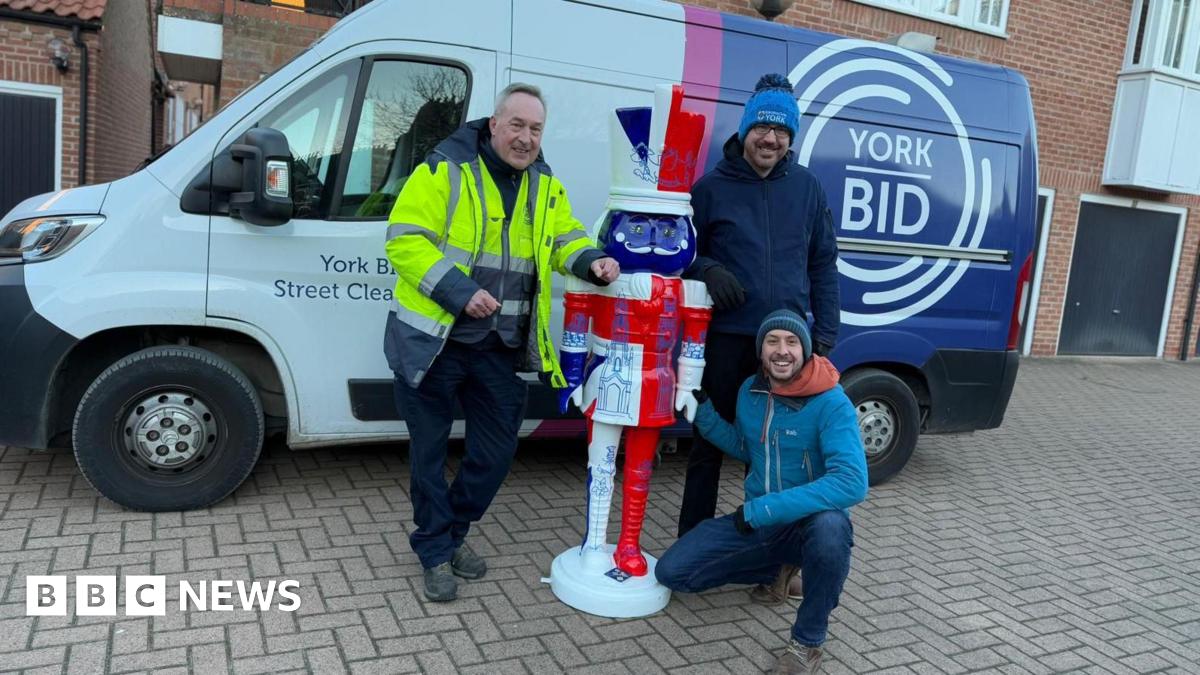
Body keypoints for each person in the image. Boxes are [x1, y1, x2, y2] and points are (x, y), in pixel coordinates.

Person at [383, 83, 620, 602]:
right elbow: (404, 238)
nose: (526, 138)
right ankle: (434, 551)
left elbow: (564, 238)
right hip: (433, 343)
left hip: (498, 348)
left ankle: (453, 532)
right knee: (428, 456)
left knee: (493, 454)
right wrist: (460, 291)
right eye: (517, 125)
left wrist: (591, 260)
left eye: (536, 129)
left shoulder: (543, 183)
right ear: (493, 125)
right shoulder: (444, 169)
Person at [678, 73, 842, 546]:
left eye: (782, 132)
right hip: (727, 339)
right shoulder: (710, 188)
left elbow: (823, 261)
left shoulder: (808, 187)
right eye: (762, 129)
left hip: (783, 346)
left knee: (777, 454)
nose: (770, 139)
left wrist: (826, 333)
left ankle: (769, 549)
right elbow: (679, 254)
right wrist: (707, 268)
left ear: (790, 138)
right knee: (708, 445)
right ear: (745, 130)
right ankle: (692, 543)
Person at [655, 310, 867, 675]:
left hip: (802, 524)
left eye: (791, 342)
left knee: (832, 530)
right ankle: (777, 571)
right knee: (673, 572)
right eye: (772, 341)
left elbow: (851, 481)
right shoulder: (750, 392)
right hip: (762, 524)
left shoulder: (832, 402)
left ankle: (807, 642)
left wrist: (763, 510)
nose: (781, 351)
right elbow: (744, 446)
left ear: (805, 349)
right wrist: (702, 412)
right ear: (760, 350)